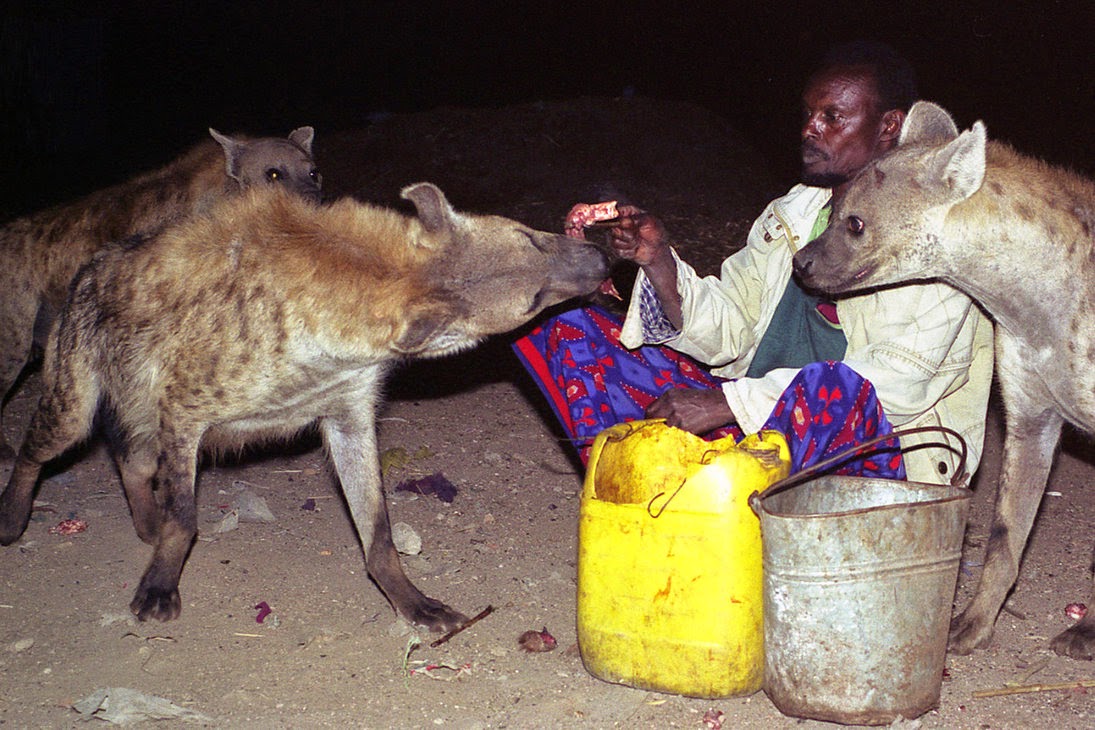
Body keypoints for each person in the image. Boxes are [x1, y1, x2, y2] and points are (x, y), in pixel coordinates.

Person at [513, 41, 994, 485]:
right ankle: (658, 498)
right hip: (753, 428)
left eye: (833, 116)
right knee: (569, 328)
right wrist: (657, 261)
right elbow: (732, 328)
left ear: (888, 126)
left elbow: (894, 386)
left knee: (837, 389)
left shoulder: (930, 241)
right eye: (809, 113)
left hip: (869, 457)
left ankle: (734, 507)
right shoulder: (795, 213)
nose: (810, 128)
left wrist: (725, 403)